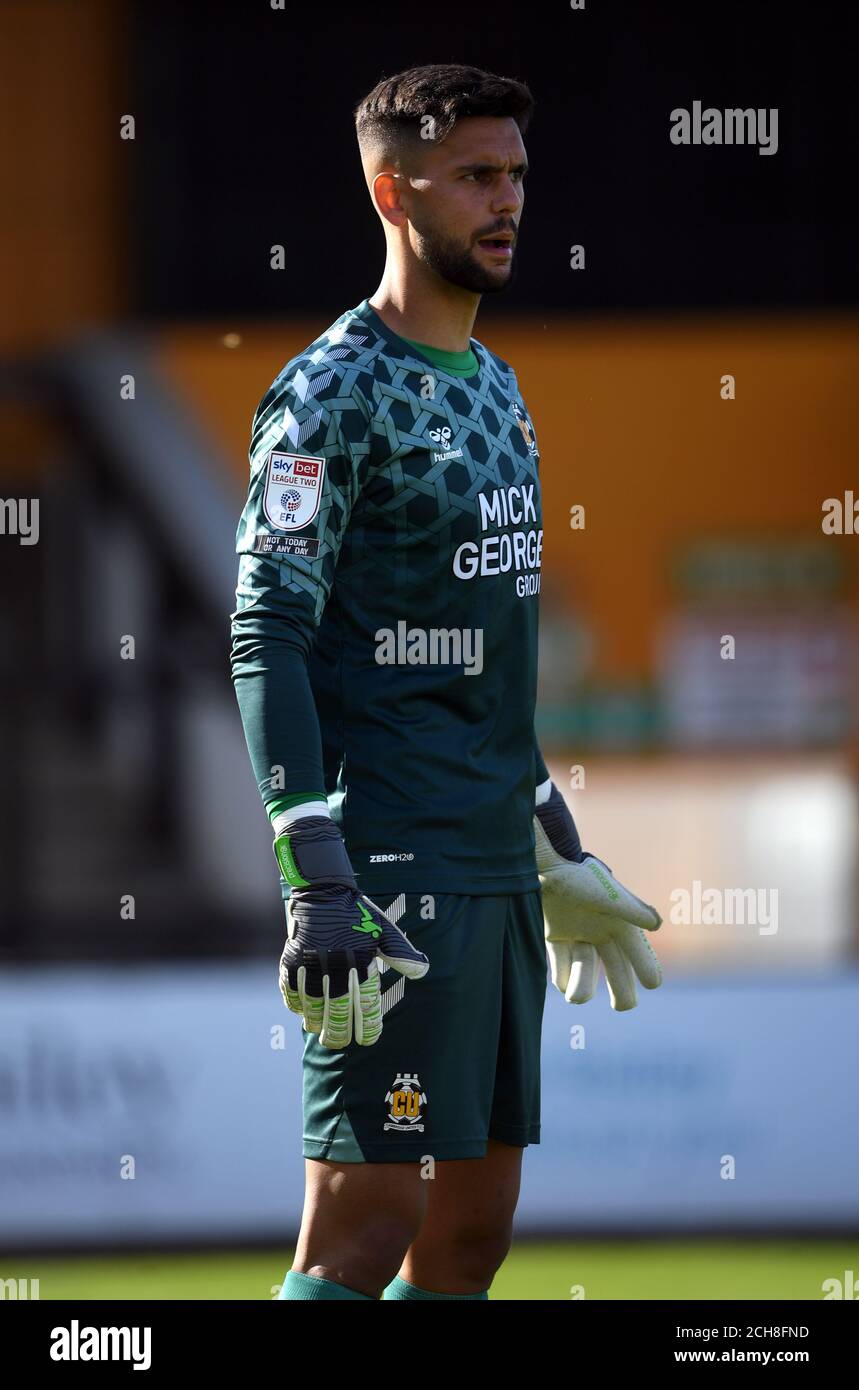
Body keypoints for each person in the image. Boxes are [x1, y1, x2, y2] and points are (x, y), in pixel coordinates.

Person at [230, 62, 663, 1303]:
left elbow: (481, 655)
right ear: (391, 190)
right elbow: (267, 632)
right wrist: (314, 869)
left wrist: (550, 842)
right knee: (363, 1226)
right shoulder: (328, 393)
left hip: (492, 865)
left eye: (516, 173)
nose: (507, 199)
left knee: (472, 1234)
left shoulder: (501, 390)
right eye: (474, 174)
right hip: (388, 869)